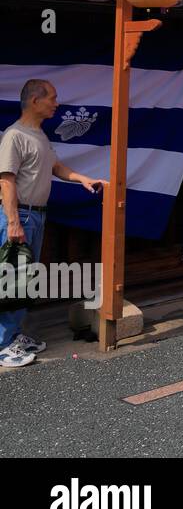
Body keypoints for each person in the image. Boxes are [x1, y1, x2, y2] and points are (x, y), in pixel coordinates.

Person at [0, 80, 106, 368]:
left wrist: (84, 179)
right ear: (35, 101)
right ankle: (2, 344)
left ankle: (14, 335)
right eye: (53, 98)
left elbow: (57, 167)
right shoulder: (15, 136)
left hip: (35, 215)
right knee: (10, 280)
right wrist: (12, 222)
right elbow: (5, 180)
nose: (57, 103)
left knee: (24, 280)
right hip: (20, 215)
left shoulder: (38, 135)